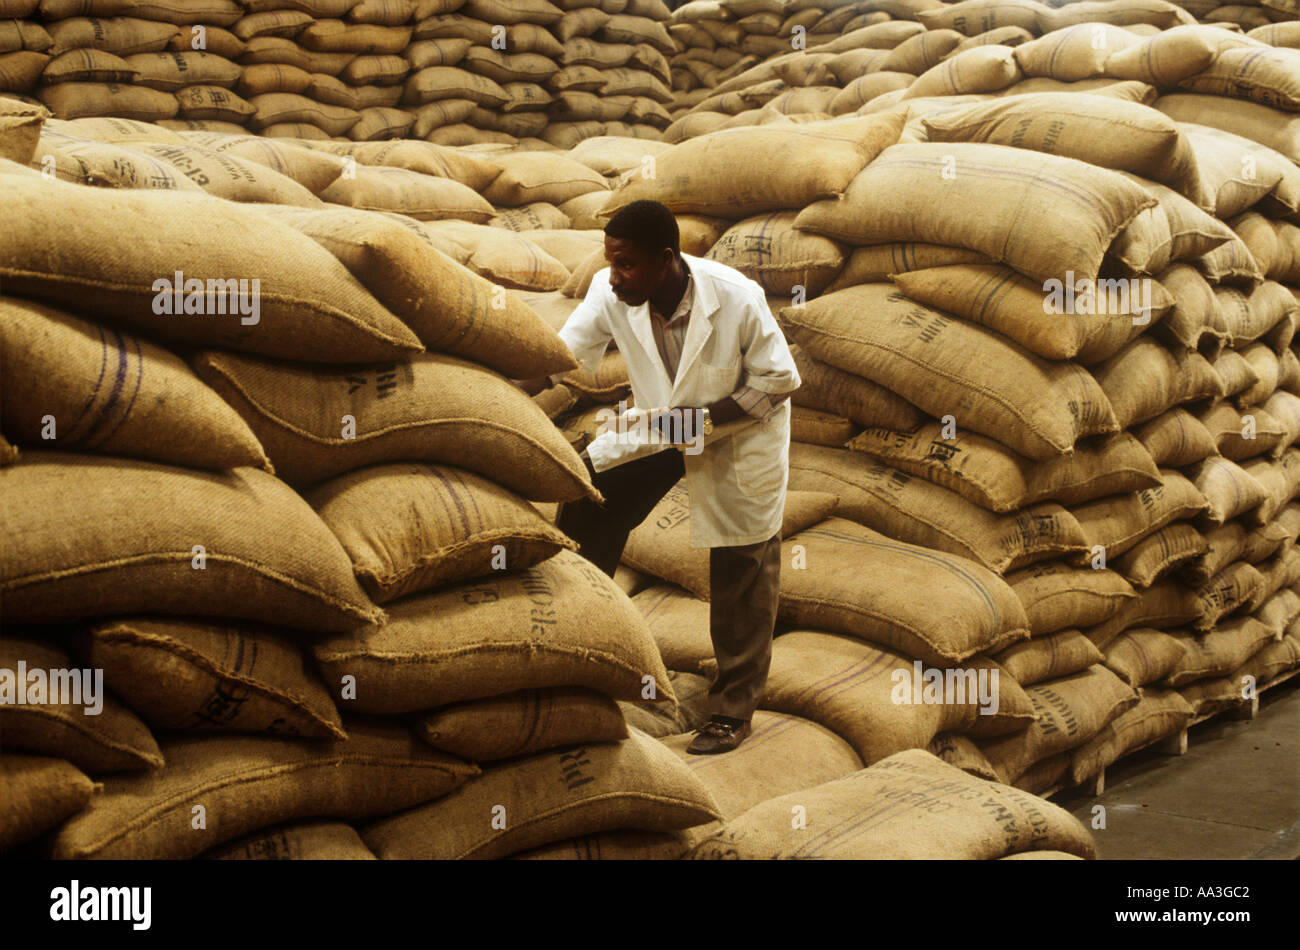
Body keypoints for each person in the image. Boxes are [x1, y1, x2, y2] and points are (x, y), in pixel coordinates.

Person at [517, 199, 801, 754]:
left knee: (742, 562)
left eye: (626, 264)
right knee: (588, 495)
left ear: (666, 259)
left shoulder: (735, 298)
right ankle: (581, 644)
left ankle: (731, 712)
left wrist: (698, 420)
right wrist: (496, 382)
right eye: (610, 261)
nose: (614, 275)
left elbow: (777, 381)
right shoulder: (610, 291)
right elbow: (559, 359)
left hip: (737, 434)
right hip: (659, 424)